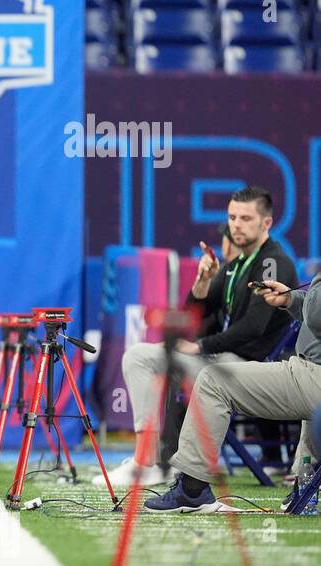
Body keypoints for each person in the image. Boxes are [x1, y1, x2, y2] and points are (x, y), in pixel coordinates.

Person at [100, 187, 296, 486]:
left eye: (245, 218)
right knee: (138, 356)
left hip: (250, 364)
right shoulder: (235, 266)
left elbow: (254, 327)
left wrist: (201, 346)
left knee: (178, 366)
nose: (236, 225)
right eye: (232, 217)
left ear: (266, 223)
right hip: (224, 357)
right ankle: (147, 457)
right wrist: (203, 281)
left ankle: (165, 461)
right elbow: (193, 313)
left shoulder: (272, 262)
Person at [146, 270, 321, 513]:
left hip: (315, 374)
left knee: (213, 381)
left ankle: (192, 489)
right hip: (311, 371)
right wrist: (292, 299)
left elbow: (317, 315)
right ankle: (306, 487)